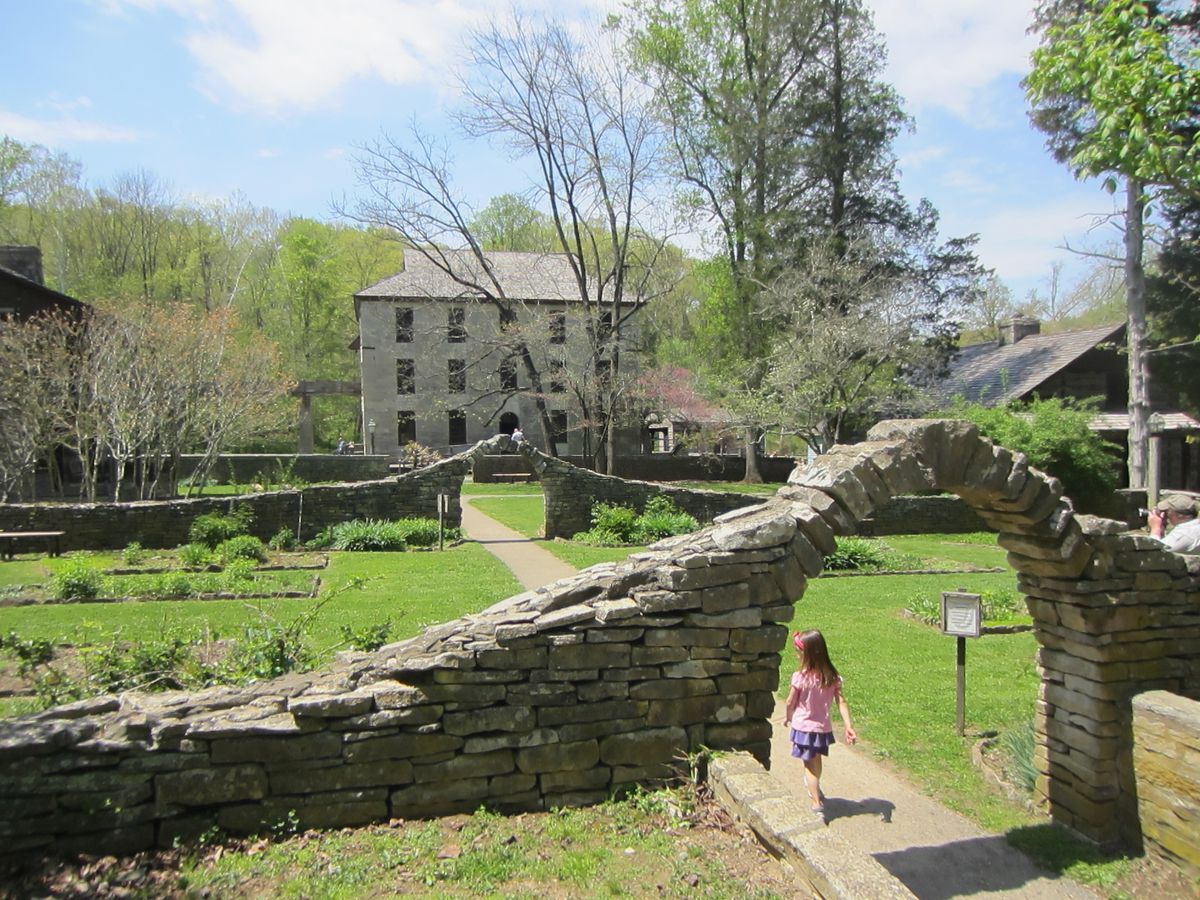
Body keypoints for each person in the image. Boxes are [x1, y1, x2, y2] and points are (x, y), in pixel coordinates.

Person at [783, 629, 857, 815]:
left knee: (808, 766)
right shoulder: (831, 677)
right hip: (822, 729)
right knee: (817, 761)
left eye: (799, 652)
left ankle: (816, 802)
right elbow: (841, 701)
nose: (796, 654)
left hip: (803, 728)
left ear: (807, 655)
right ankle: (816, 787)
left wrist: (788, 716)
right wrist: (848, 726)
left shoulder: (800, 678)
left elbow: (790, 701)